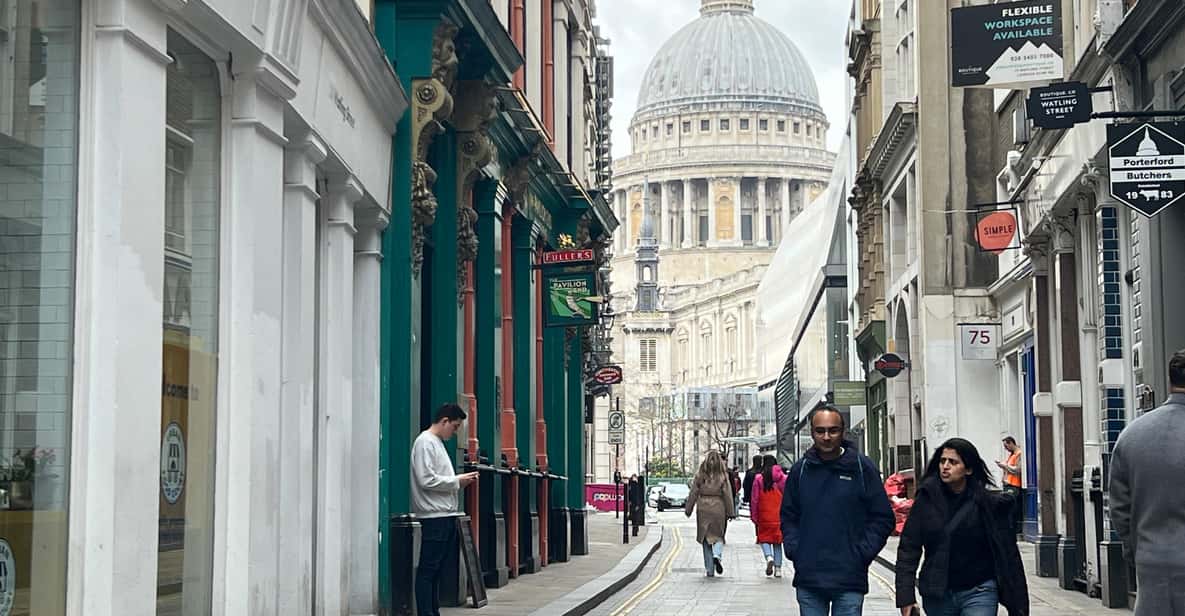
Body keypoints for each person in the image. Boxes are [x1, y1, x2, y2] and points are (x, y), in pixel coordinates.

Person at [781, 402, 894, 615]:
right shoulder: (800, 471)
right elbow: (789, 515)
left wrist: (862, 553)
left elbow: (883, 517)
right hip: (809, 577)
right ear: (812, 433)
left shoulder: (862, 468)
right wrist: (795, 549)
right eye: (820, 431)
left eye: (833, 430)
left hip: (849, 577)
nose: (826, 437)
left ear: (842, 432)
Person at [895, 438, 1029, 616]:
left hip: (979, 590)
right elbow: (908, 548)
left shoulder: (987, 504)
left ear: (969, 469)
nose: (946, 466)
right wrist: (906, 598)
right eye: (943, 461)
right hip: (938, 594)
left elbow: (1008, 553)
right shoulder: (926, 500)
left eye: (953, 462)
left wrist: (1018, 604)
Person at [1110, 349, 1185, 616]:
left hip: (1152, 564)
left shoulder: (1131, 435)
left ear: (1169, 381)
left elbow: (1118, 509)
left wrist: (1135, 551)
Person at [411, 403, 479, 616]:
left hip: (443, 515)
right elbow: (426, 479)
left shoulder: (436, 443)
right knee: (428, 570)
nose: (455, 431)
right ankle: (426, 613)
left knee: (435, 570)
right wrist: (457, 481)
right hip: (434, 516)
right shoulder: (425, 443)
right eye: (455, 426)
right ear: (445, 421)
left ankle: (432, 612)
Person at [685, 450, 735, 577]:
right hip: (718, 507)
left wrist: (688, 509)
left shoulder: (700, 475)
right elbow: (728, 495)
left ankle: (709, 569)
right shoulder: (723, 476)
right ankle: (717, 555)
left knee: (705, 538)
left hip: (703, 507)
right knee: (718, 535)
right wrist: (731, 512)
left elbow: (693, 493)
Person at [750, 454, 786, 578]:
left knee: (764, 538)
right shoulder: (783, 478)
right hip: (779, 514)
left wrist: (754, 516)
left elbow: (755, 499)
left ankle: (768, 557)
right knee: (778, 542)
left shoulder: (759, 478)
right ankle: (778, 569)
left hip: (764, 514)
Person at [995, 436, 1023, 534]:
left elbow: (1017, 470)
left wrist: (1005, 465)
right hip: (1008, 484)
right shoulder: (1012, 455)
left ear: (1011, 443)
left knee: (1011, 508)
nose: (1005, 448)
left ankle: (1013, 529)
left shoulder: (1019, 454)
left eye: (1006, 445)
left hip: (1014, 485)